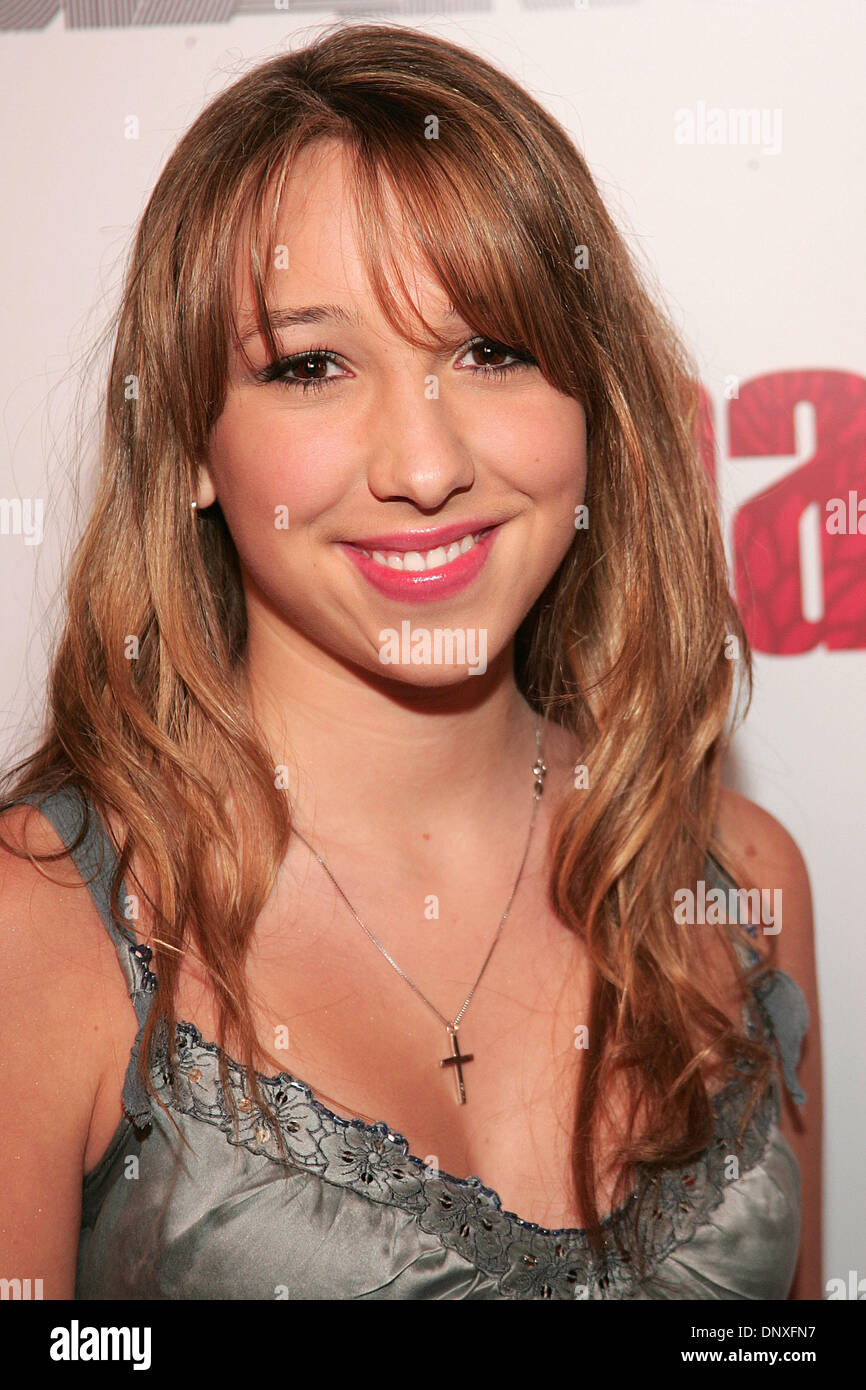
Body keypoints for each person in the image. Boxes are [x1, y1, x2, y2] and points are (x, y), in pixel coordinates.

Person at [0, 21, 820, 1300]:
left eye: (488, 349)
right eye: (312, 366)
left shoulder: (736, 878)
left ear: (593, 403)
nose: (425, 467)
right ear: (195, 446)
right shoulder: (38, 933)